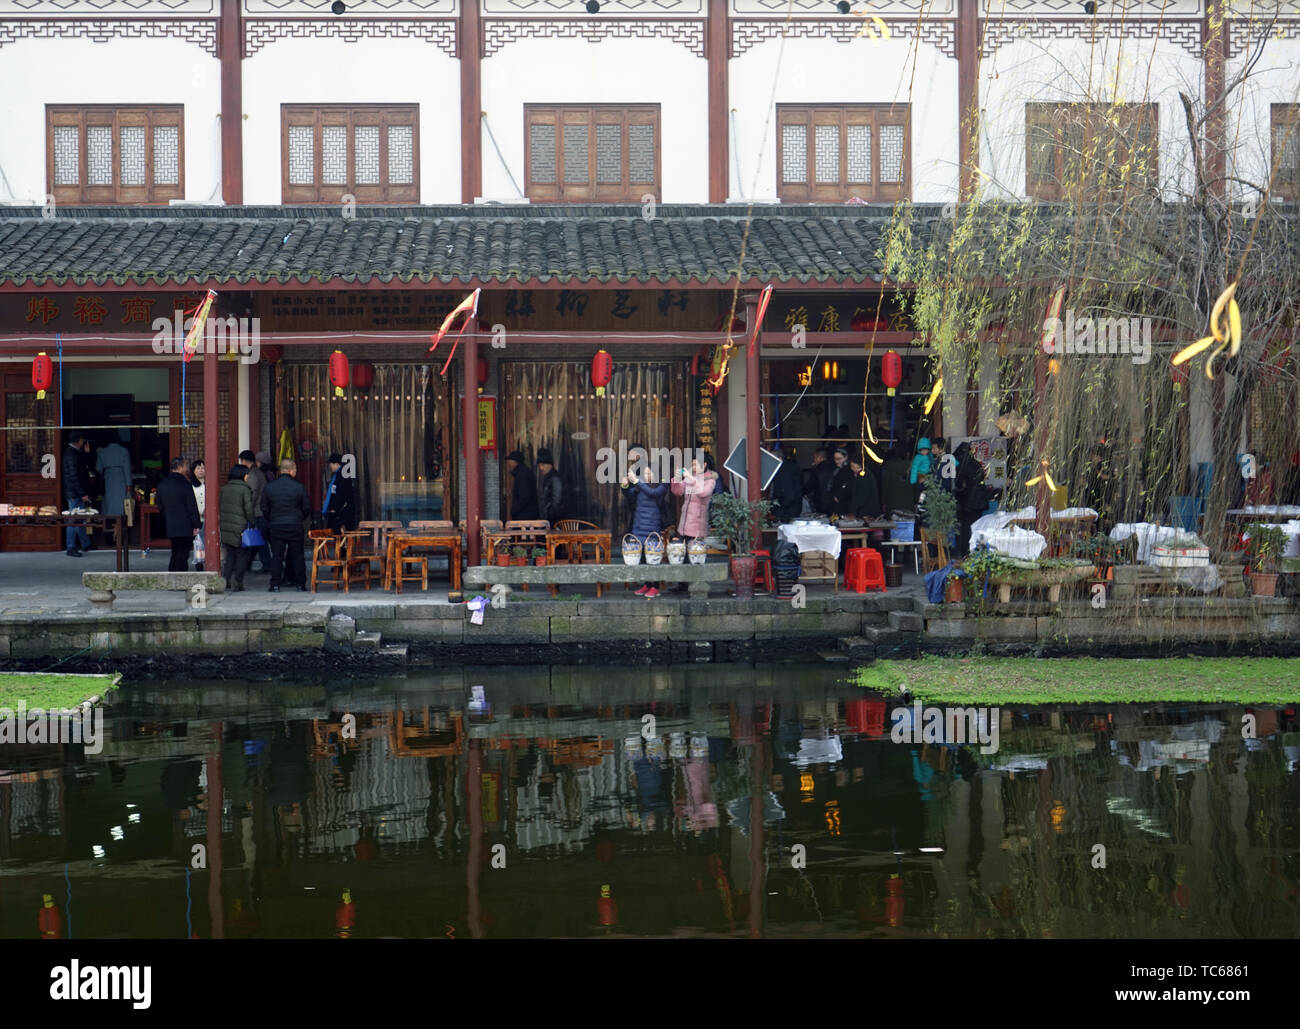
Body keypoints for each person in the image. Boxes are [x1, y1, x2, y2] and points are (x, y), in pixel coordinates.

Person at [622, 456, 668, 598]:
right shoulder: (640, 486)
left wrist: (637, 481)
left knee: (653, 557)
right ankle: (647, 585)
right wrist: (625, 485)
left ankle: (655, 587)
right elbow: (629, 494)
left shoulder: (662, 486)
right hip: (638, 525)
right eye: (645, 474)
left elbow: (652, 493)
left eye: (650, 473)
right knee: (642, 557)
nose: (647, 476)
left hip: (652, 526)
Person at [262, 458, 310, 592]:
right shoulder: (299, 487)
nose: (296, 472)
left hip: (276, 525)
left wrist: (271, 519)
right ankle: (301, 584)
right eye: (295, 469)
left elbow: (264, 508)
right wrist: (299, 518)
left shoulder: (270, 487)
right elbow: (306, 507)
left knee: (277, 556)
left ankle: (275, 584)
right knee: (298, 555)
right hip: (295, 525)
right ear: (290, 470)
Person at [156, 457, 201, 572]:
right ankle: (181, 576)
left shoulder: (162, 485)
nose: (187, 468)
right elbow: (192, 506)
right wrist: (196, 524)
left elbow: (160, 507)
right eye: (185, 465)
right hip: (185, 524)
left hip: (171, 524)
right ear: (180, 467)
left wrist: (167, 517)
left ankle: (172, 574)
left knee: (175, 551)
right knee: (183, 553)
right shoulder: (185, 484)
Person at [219, 464, 256, 592]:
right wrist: (252, 522)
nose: (248, 476)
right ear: (241, 475)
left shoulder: (224, 488)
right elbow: (249, 510)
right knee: (242, 555)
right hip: (241, 527)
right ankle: (238, 582)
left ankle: (225, 580)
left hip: (226, 527)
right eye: (246, 473)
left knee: (230, 556)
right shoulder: (245, 489)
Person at [953, 442, 988, 557]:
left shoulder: (962, 465)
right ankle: (975, 552)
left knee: (966, 528)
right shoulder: (976, 463)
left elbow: (958, 483)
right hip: (979, 501)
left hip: (968, 501)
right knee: (976, 526)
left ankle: (966, 552)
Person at [240, 450, 272, 573]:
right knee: (256, 539)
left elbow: (252, 494)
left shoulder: (253, 474)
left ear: (244, 461)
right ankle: (247, 564)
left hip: (257, 512)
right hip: (259, 512)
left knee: (259, 540)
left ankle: (266, 565)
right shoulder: (256, 472)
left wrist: (246, 509)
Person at [61, 434, 93, 557]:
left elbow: (83, 468)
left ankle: (85, 543)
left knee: (79, 518)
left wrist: (86, 453)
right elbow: (74, 476)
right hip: (74, 493)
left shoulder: (74, 452)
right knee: (74, 519)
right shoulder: (71, 454)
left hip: (75, 491)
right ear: (79, 440)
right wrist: (82, 494)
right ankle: (70, 547)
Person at [95, 435, 132, 521]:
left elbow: (98, 469)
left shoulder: (102, 452)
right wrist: (129, 485)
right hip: (121, 478)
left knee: (109, 501)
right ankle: (120, 521)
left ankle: (108, 522)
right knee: (120, 501)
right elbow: (127, 469)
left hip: (108, 478)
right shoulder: (124, 451)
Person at [322, 453, 357, 532]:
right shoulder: (337, 475)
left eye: (331, 464)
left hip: (341, 512)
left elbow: (342, 494)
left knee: (338, 534)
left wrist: (335, 508)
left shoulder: (343, 476)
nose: (330, 466)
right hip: (337, 510)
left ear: (336, 464)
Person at [768, 449, 804, 522]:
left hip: (787, 511)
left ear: (779, 458)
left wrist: (778, 508)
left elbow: (789, 494)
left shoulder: (784, 472)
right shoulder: (790, 467)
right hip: (793, 507)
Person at [844, 454, 882, 520]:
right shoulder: (863, 474)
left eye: (853, 466)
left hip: (867, 511)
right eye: (851, 466)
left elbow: (861, 496)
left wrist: (853, 510)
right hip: (866, 509)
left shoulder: (864, 476)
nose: (852, 468)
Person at [505, 450, 539, 520]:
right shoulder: (523, 471)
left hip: (524, 516)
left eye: (510, 460)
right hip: (528, 513)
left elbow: (524, 496)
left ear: (515, 461)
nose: (509, 462)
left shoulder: (521, 474)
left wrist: (514, 511)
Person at [881, 448, 913, 516]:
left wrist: (883, 501)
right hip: (908, 503)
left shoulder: (889, 466)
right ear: (907, 454)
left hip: (892, 503)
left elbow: (885, 485)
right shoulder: (913, 466)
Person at [538, 448, 565, 525]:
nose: (541, 468)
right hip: (548, 519)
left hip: (553, 520)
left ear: (550, 465)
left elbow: (557, 500)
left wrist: (550, 517)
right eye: (539, 465)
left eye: (543, 465)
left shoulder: (555, 478)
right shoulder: (548, 478)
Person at [828, 448, 855, 517]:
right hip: (836, 502)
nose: (837, 461)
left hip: (844, 503)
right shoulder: (837, 469)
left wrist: (838, 496)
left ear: (846, 457)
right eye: (835, 459)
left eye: (839, 459)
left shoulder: (849, 470)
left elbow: (849, 485)